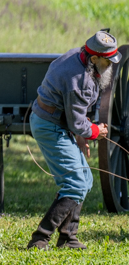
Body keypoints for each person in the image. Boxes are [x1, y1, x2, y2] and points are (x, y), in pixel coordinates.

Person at [26, 31, 116, 250]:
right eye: (107, 61)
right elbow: (77, 122)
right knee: (75, 184)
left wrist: (82, 134)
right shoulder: (81, 80)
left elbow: (74, 111)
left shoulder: (79, 56)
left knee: (85, 179)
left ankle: (68, 237)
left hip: (57, 120)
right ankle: (40, 238)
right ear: (94, 59)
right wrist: (94, 131)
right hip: (49, 125)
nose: (111, 65)